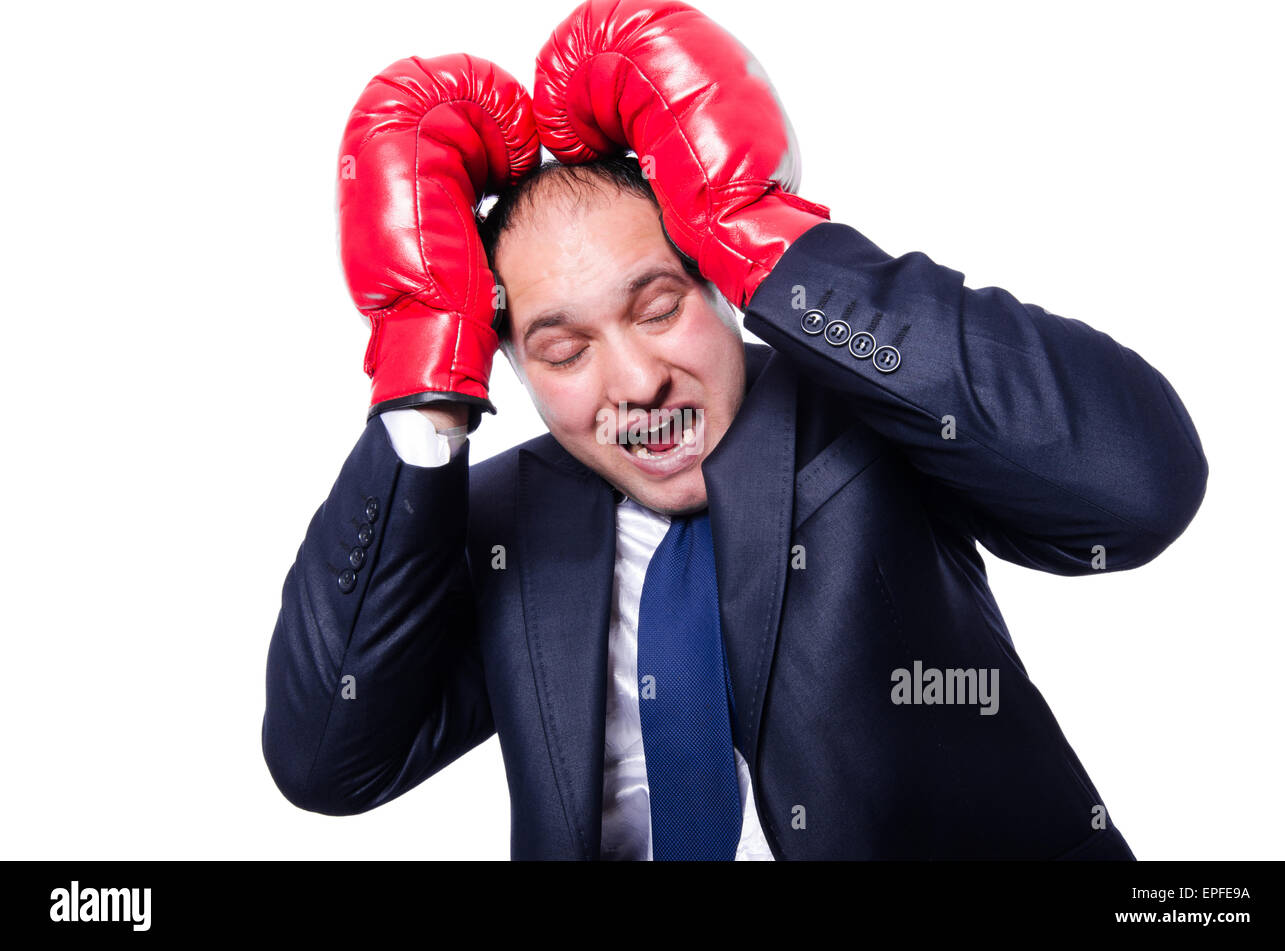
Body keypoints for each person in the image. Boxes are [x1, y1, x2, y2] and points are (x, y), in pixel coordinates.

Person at [262, 0, 1207, 860]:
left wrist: (768, 236)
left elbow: (1138, 490)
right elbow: (327, 761)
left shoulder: (869, 413)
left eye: (661, 305)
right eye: (563, 351)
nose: (636, 381)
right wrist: (421, 378)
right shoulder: (506, 519)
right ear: (509, 364)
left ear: (717, 279)